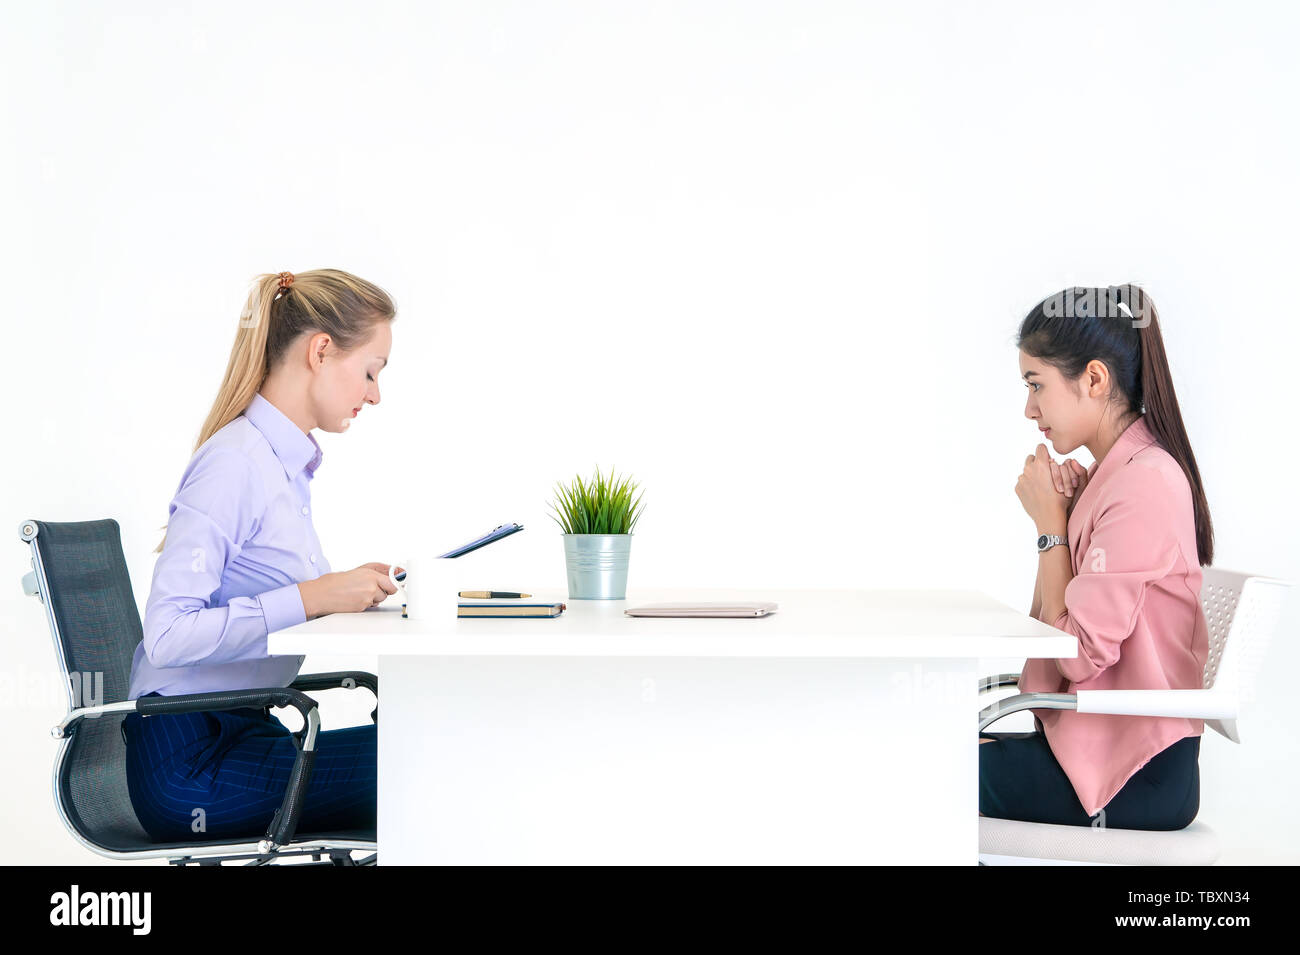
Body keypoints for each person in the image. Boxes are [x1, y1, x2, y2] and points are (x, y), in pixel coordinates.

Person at [122, 268, 402, 842]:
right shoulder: (235, 463)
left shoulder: (281, 466)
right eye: (371, 372)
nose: (376, 393)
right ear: (322, 350)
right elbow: (168, 635)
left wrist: (336, 596)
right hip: (191, 764)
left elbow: (269, 601)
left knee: (431, 740)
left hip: (246, 731)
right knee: (429, 757)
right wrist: (310, 598)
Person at [979, 284, 1213, 831]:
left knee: (923, 767)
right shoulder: (1115, 479)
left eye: (1036, 385)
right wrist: (1057, 524)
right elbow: (1048, 626)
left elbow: (1075, 655)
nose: (1029, 408)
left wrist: (1049, 531)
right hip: (1098, 750)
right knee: (924, 752)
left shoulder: (1144, 483)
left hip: (1136, 776)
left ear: (1094, 379)